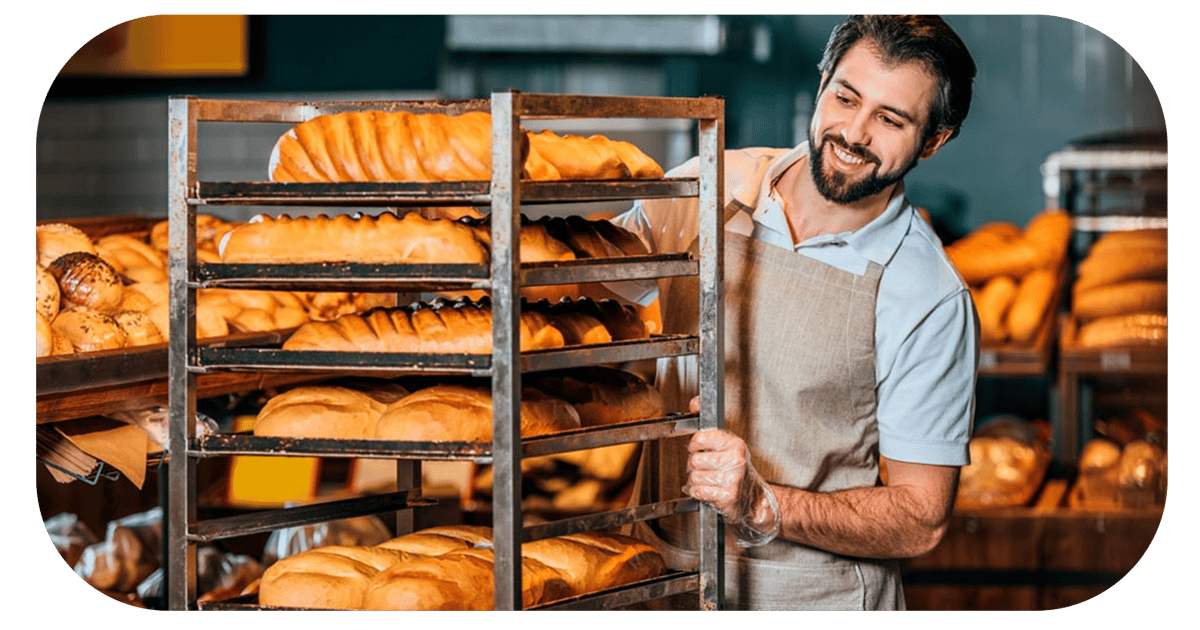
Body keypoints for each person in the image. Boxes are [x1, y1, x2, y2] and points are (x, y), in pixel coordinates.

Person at [608, 14, 980, 610]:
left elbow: (919, 517)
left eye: (890, 119)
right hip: (661, 581)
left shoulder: (927, 295)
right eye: (845, 97)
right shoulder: (711, 188)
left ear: (934, 140)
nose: (854, 132)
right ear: (823, 80)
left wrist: (762, 503)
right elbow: (587, 287)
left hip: (816, 600)